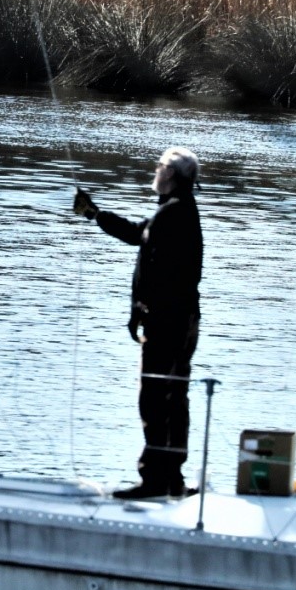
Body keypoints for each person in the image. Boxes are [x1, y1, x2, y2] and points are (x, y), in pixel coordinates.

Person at [73, 147, 203, 500]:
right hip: (180, 320)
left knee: (156, 398)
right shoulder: (178, 210)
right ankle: (171, 478)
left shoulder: (173, 214)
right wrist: (96, 215)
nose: (155, 171)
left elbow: (157, 273)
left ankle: (156, 480)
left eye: (159, 166)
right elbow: (136, 234)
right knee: (173, 397)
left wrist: (139, 311)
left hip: (169, 322)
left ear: (170, 174)